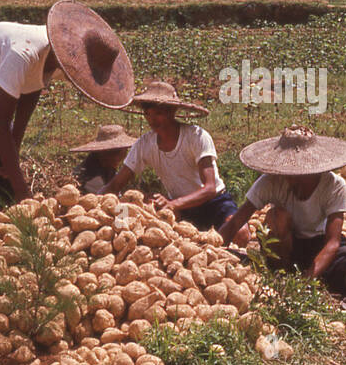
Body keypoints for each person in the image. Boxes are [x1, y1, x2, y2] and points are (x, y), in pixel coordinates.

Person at [0, 1, 134, 229]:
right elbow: (1, 124)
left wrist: (13, 150)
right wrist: (23, 192)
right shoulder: (23, 54)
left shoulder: (60, 59)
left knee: (0, 163)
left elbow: (30, 91)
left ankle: (2, 226)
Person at [217, 126, 346, 303]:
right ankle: (282, 274)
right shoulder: (271, 181)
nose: (292, 176)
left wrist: (306, 280)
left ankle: (318, 278)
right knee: (278, 216)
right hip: (287, 247)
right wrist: (214, 250)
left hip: (323, 249)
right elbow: (238, 219)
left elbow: (333, 242)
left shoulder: (334, 185)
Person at [100, 81, 249, 244]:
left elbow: (210, 188)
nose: (152, 119)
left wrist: (173, 204)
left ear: (172, 111)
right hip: (181, 209)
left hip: (214, 203)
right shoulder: (144, 144)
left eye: (158, 113)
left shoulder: (196, 136)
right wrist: (93, 201)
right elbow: (116, 185)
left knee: (241, 234)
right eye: (148, 114)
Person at [69, 124, 136, 194]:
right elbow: (107, 197)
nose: (123, 157)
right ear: (104, 153)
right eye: (121, 153)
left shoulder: (107, 167)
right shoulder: (92, 176)